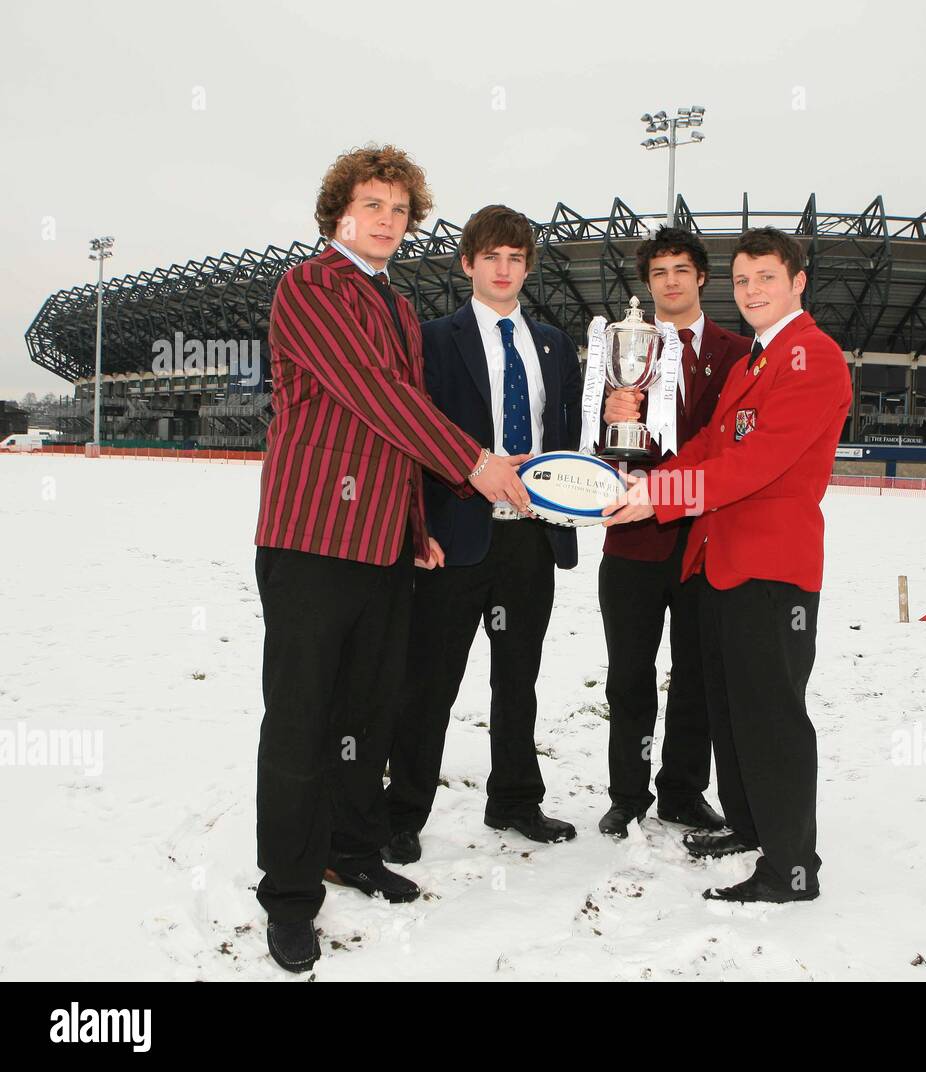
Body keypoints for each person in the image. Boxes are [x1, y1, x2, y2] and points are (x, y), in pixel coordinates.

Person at [254, 147, 528, 973]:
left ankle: (349, 846)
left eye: (400, 209)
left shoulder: (399, 304)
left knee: (367, 715)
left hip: (381, 544)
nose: (385, 219)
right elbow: (374, 394)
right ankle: (291, 897)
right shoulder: (309, 287)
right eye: (370, 204)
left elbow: (391, 442)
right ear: (338, 212)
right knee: (303, 723)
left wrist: (417, 526)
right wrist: (475, 463)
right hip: (310, 540)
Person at [604, 227, 851, 903]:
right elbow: (710, 446)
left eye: (766, 278)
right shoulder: (755, 364)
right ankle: (749, 824)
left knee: (771, 717)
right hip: (716, 563)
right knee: (734, 711)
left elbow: (751, 466)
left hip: (771, 570)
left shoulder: (813, 357)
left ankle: (791, 868)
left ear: (798, 281)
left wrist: (658, 494)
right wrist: (641, 491)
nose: (753, 292)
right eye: (743, 281)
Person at [384, 205, 582, 857]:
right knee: (430, 682)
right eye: (491, 256)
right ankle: (402, 813)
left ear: (528, 266)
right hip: (456, 535)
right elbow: (413, 438)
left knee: (517, 678)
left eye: (516, 258)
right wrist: (418, 527)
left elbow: (567, 440)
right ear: (467, 263)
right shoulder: (435, 339)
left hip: (530, 537)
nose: (504, 269)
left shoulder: (553, 345)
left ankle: (515, 801)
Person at [596, 227, 749, 839]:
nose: (671, 282)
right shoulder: (620, 349)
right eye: (659, 273)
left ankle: (682, 791)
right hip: (633, 540)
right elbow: (601, 452)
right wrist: (610, 422)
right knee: (629, 675)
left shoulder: (739, 352)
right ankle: (627, 793)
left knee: (697, 675)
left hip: (705, 538)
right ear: (647, 282)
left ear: (702, 277)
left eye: (681, 270)